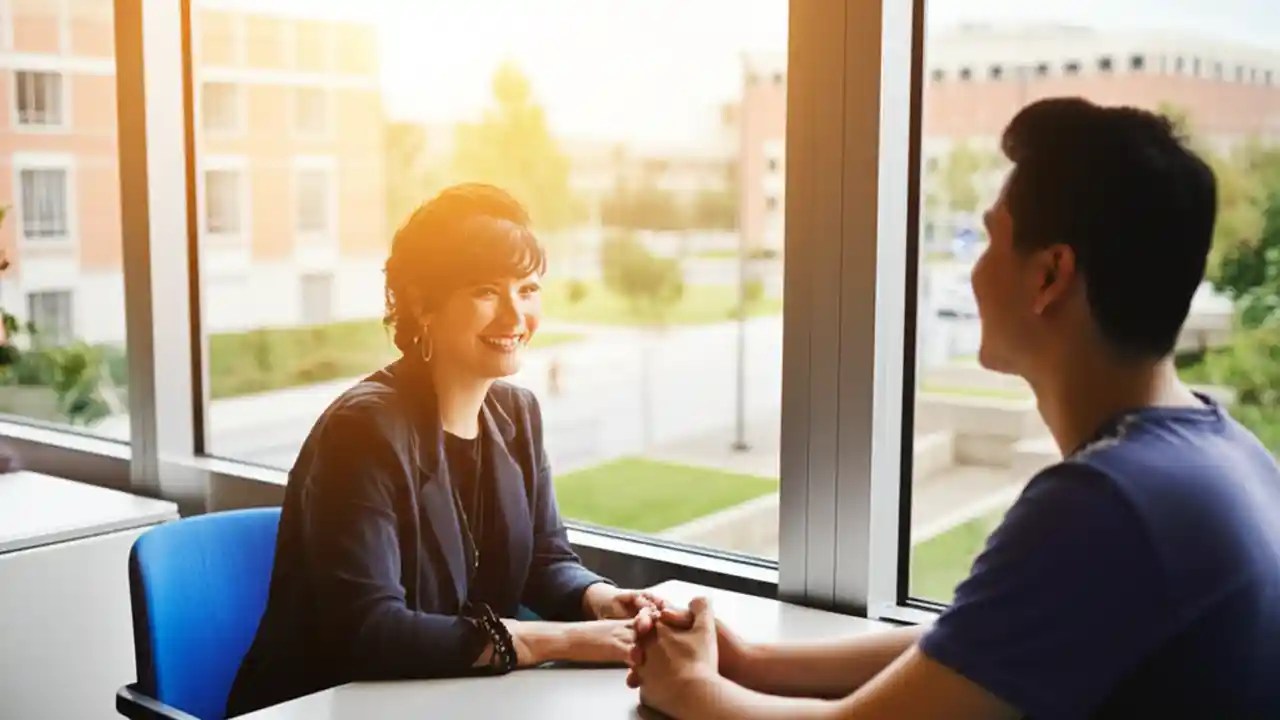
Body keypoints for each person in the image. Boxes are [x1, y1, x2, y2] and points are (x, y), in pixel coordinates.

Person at [627, 97, 1280, 719]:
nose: (975, 269)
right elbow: (976, 644)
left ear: (1050, 276)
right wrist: (755, 662)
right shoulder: (1223, 453)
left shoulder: (1106, 503)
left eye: (991, 239)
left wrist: (687, 688)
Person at [227, 183, 664, 716]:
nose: (513, 316)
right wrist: (560, 642)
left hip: (454, 700)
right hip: (332, 706)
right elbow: (370, 632)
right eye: (486, 291)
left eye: (527, 289)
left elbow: (545, 559)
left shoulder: (518, 415)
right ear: (421, 302)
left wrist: (597, 601)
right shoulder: (362, 431)